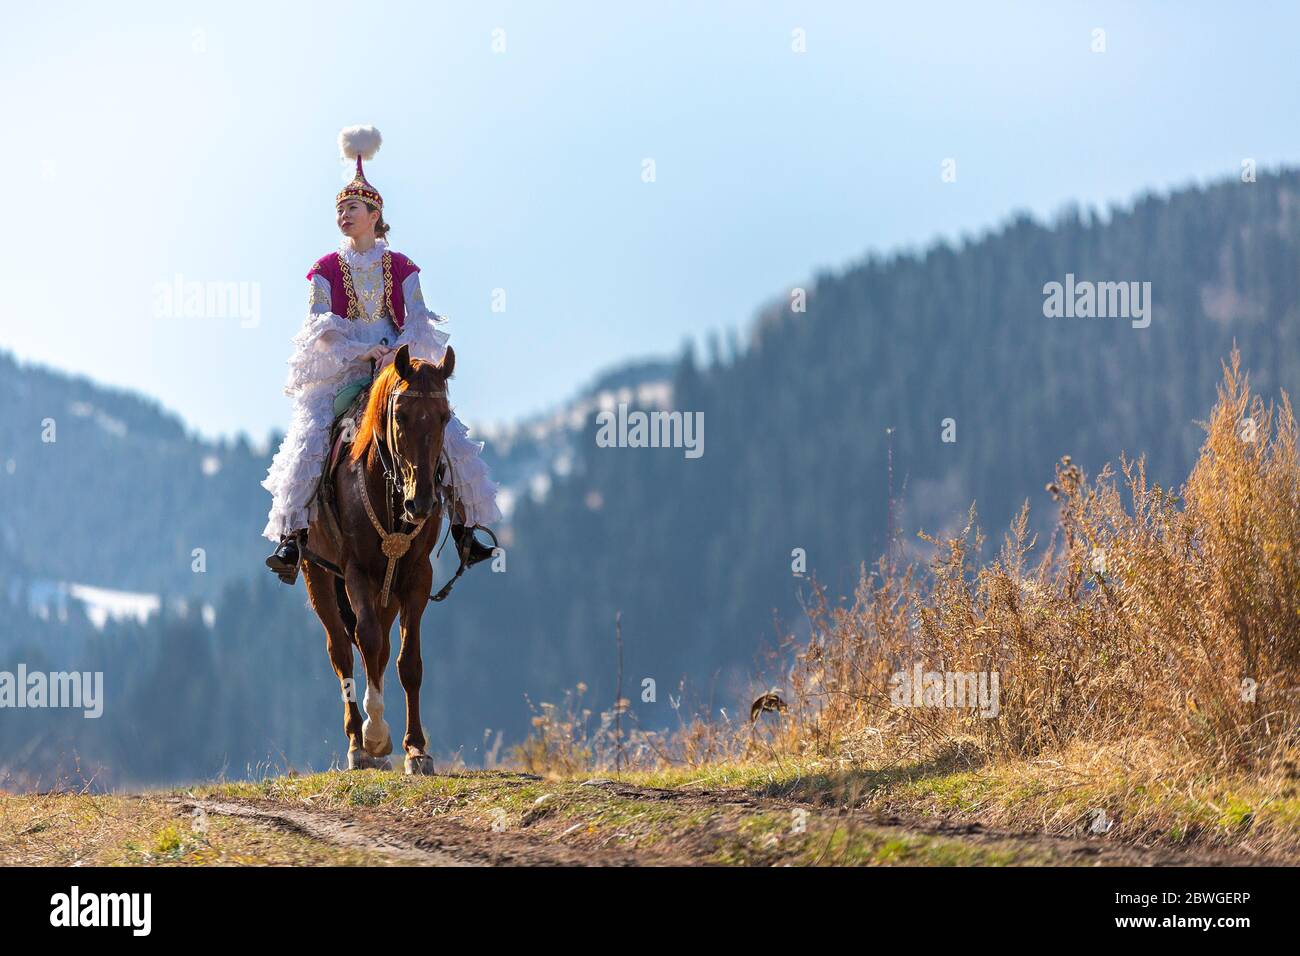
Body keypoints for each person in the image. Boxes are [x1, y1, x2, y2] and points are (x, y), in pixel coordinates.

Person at [262, 125, 501, 582]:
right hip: (342, 369)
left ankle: (467, 531)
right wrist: (360, 350)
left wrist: (395, 353)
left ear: (375, 214)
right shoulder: (325, 271)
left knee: (443, 433)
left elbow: (418, 318)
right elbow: (320, 330)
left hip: (395, 366)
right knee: (310, 438)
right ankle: (292, 539)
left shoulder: (403, 267)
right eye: (339, 210)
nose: (343, 216)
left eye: (351, 207)